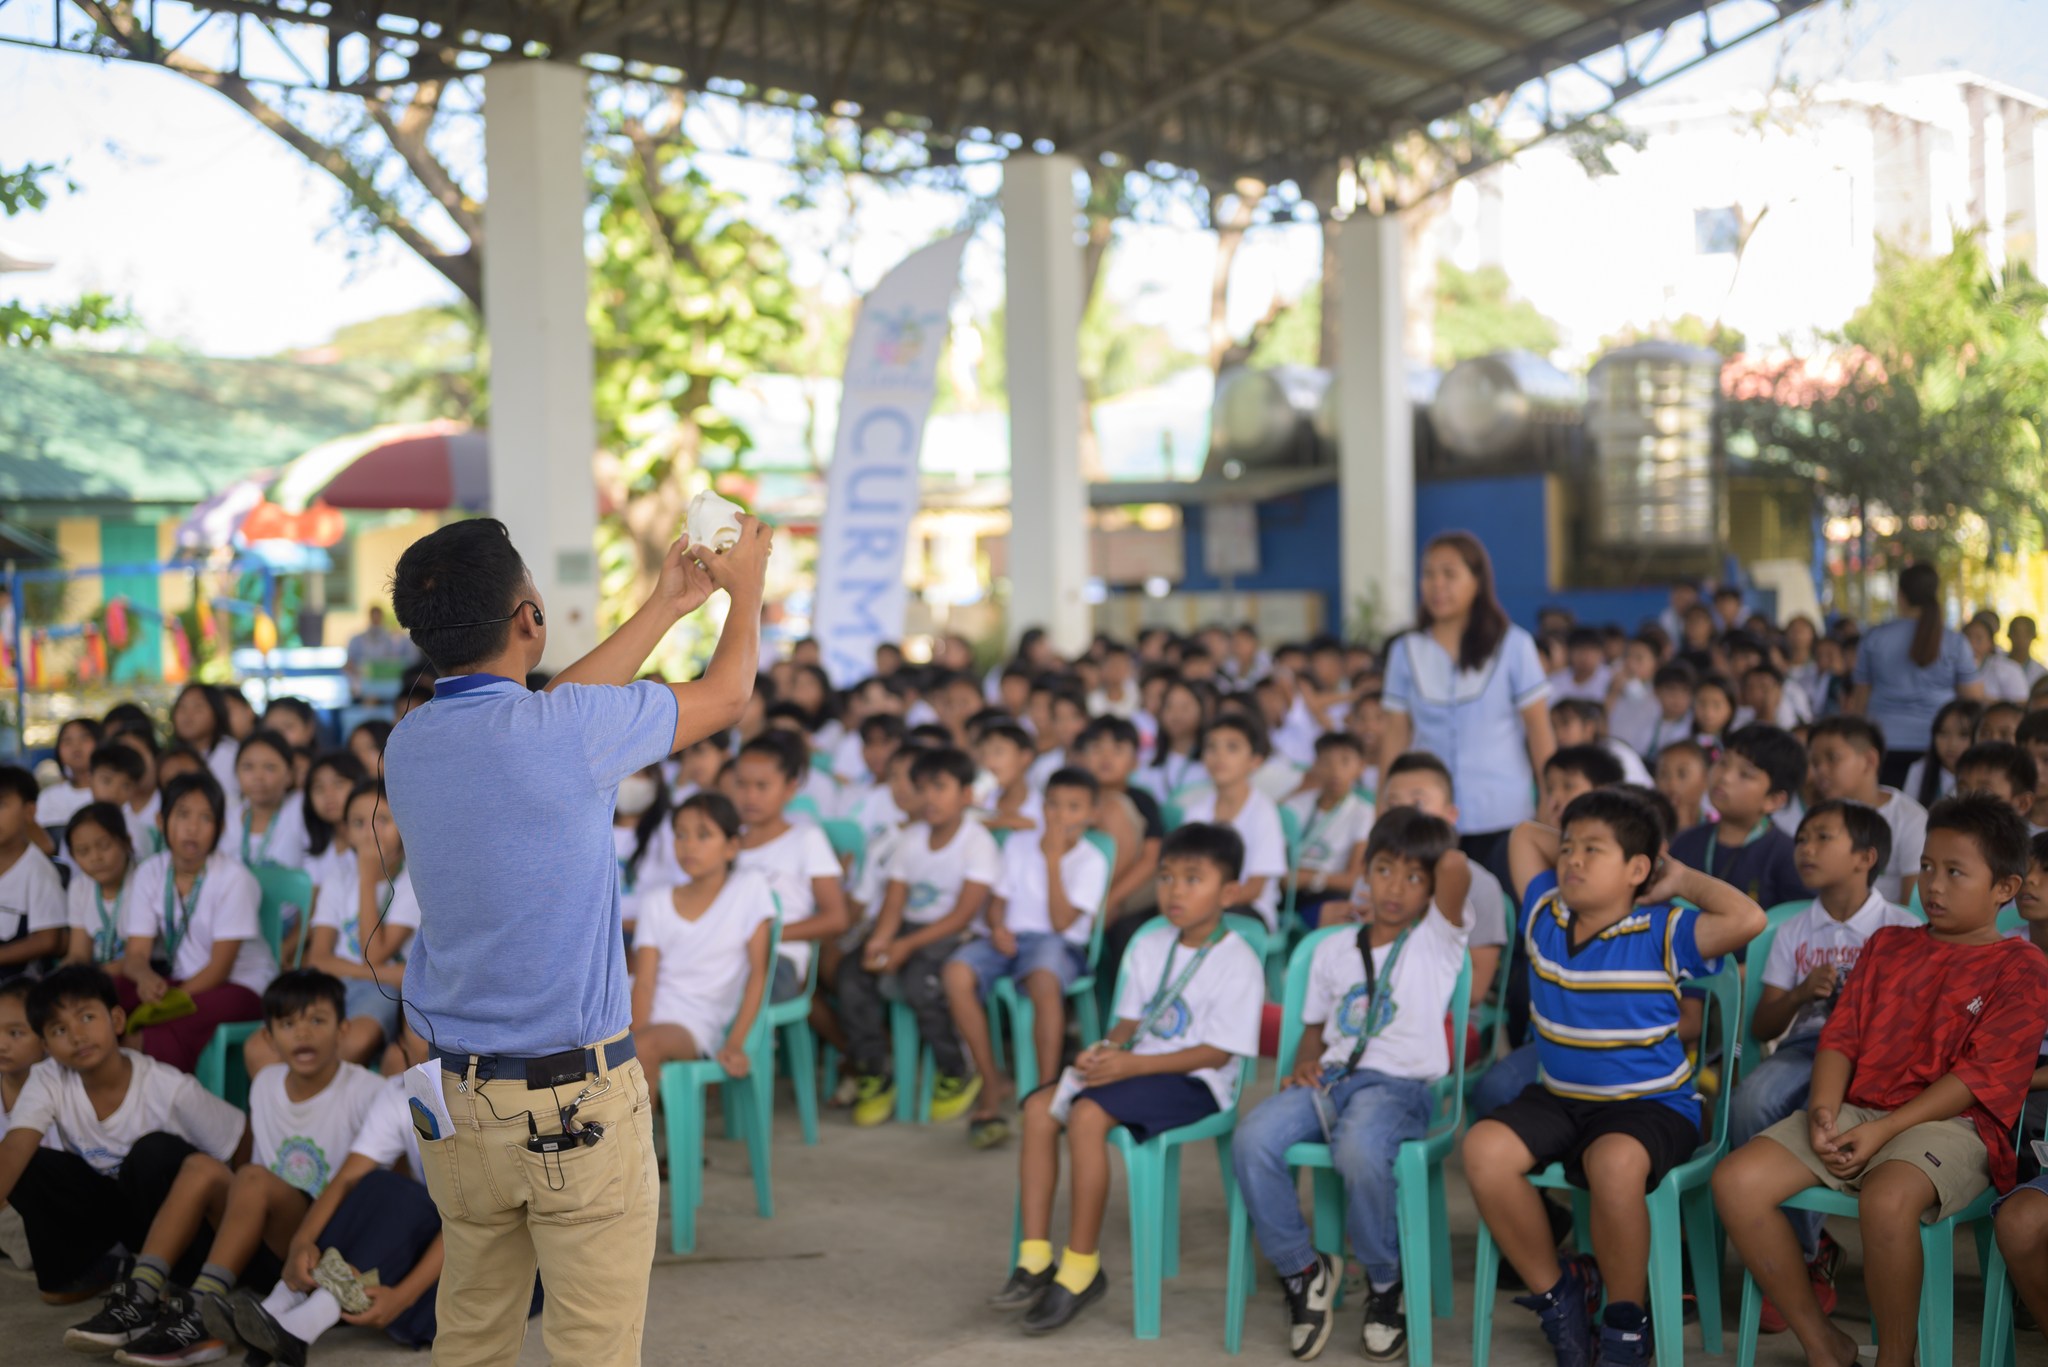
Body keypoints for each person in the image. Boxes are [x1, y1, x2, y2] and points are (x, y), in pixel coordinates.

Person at [382, 512, 770, 1367]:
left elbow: (548, 711)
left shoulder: (408, 743)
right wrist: (744, 594)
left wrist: (664, 607)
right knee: (592, 1349)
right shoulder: (565, 738)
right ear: (531, 619)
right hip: (576, 1103)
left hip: (459, 1102)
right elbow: (731, 693)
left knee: (472, 1338)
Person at [1714, 794, 2048, 1367]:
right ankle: (1825, 1345)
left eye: (1954, 873)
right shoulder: (1888, 944)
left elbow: (1977, 1078)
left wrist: (1885, 1128)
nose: (1932, 885)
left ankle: (1898, 1357)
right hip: (1860, 1109)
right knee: (1736, 1182)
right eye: (1925, 867)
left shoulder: (2021, 967)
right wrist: (1822, 1109)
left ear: (2005, 888)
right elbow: (1840, 1038)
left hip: (1957, 1123)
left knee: (1887, 1198)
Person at [1461, 789, 1765, 1367]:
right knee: (1483, 1150)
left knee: (1615, 1163)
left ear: (1637, 870)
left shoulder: (1663, 930)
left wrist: (1673, 876)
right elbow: (1525, 835)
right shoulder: (1543, 912)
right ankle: (1561, 1294)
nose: (1572, 859)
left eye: (1592, 850)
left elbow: (1747, 919)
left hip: (1652, 1106)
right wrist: (1595, 844)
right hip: (1560, 1098)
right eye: (1569, 848)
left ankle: (1625, 1322)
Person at [990, 822, 1263, 1335]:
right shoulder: (1150, 943)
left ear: (1228, 892)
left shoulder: (1238, 960)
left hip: (1197, 1082)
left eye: (1192, 879)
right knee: (1037, 1108)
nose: (1174, 890)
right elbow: (1129, 1022)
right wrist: (1105, 1051)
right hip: (1137, 1068)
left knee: (1089, 1114)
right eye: (1166, 877)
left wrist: (1132, 1064)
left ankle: (1080, 1269)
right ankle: (1034, 1259)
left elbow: (1218, 1051)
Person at [1234, 809, 1472, 1361]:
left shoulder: (1437, 939)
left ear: (1433, 885)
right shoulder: (1332, 948)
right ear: (1365, 870)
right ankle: (1304, 1268)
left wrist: (1436, 851)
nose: (1395, 887)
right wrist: (1302, 1066)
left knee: (1359, 1149)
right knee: (1254, 1138)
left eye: (1415, 877)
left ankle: (1386, 1281)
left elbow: (1458, 864)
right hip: (1335, 1079)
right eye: (1385, 870)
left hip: (1399, 1088)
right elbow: (1315, 1029)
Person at [1731, 800, 1917, 1333]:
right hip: (1807, 1045)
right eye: (1802, 839)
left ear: (1866, 857)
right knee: (1754, 1100)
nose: (1805, 849)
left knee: (1847, 1118)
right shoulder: (1794, 929)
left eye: (1822, 838)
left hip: (1879, 1056)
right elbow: (1765, 1026)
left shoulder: (1901, 928)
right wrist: (1797, 996)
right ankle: (1805, 1250)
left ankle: (1813, 1244)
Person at [0, 967, 247, 1316]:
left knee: (153, 1151)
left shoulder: (169, 1087)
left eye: (87, 1017)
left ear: (117, 1019)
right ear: (46, 1046)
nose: (77, 1036)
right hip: (117, 1217)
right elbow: (15, 1147)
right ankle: (94, 1270)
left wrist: (236, 1236)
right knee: (32, 1163)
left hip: (176, 1217)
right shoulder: (47, 1078)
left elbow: (236, 1144)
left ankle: (173, 1274)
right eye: (59, 1029)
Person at [946, 768, 1111, 1148]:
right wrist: (998, 927)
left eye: (1073, 808)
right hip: (1010, 939)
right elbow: (998, 902)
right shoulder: (1020, 844)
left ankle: (1045, 1090)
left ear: (1092, 814)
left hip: (1059, 943)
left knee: (1042, 980)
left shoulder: (1091, 860)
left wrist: (1052, 860)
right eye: (1052, 805)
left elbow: (1060, 921)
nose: (1059, 816)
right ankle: (991, 1082)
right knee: (956, 972)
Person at [1378, 532, 1555, 883]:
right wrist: (1381, 807)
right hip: (1427, 815)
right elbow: (1395, 734)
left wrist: (1550, 800)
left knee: (1505, 912)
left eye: (1449, 573)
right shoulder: (1405, 650)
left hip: (1503, 810)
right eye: (1428, 574)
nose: (1436, 585)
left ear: (1477, 581)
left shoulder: (1514, 644)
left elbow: (1539, 729)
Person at [839, 748, 1000, 1126]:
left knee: (921, 984)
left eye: (940, 787)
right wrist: (881, 942)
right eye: (923, 787)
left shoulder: (977, 842)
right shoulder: (911, 839)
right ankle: (874, 1071)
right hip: (911, 929)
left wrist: (905, 946)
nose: (929, 797)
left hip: (955, 934)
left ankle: (955, 1070)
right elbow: (894, 903)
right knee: (852, 975)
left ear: (966, 795)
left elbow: (962, 916)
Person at [120, 771, 276, 1072]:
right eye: (182, 815)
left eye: (205, 818)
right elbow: (135, 955)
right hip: (183, 981)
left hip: (240, 986)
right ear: (161, 821)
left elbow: (220, 969)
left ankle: (144, 1084)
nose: (192, 828)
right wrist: (145, 979)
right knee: (111, 991)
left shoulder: (234, 879)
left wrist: (167, 1002)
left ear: (219, 829)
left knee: (169, 1022)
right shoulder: (150, 872)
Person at [629, 792, 775, 1079]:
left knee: (642, 1047)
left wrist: (736, 1044)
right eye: (680, 835)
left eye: (703, 835)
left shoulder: (749, 888)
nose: (689, 846)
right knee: (621, 1049)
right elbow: (644, 982)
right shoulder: (655, 901)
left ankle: (645, 1124)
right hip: (637, 1012)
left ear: (732, 847)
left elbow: (759, 975)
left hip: (695, 1024)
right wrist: (633, 1038)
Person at [294, 780, 419, 1067]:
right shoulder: (338, 877)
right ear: (346, 832)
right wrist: (385, 973)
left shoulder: (410, 880)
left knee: (353, 1042)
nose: (370, 832)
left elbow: (374, 953)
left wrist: (367, 878)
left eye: (383, 820)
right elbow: (319, 959)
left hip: (386, 992)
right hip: (338, 984)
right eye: (358, 823)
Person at [731, 732, 851, 1001]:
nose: (750, 796)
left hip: (779, 959)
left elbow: (836, 918)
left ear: (790, 788)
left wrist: (765, 936)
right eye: (741, 784)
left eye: (762, 786)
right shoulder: (727, 843)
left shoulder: (806, 839)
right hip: (727, 953)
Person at [1848, 564, 1985, 788]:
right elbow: (1973, 699)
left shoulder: (1874, 638)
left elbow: (1859, 700)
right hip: (1939, 748)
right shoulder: (1955, 642)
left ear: (1900, 596)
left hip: (1882, 745)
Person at [1666, 725, 1811, 912]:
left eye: (1745, 774)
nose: (1725, 777)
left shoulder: (1788, 857)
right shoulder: (1686, 841)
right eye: (1723, 762)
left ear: (1773, 800)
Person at [1177, 714, 1289, 932]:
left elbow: (1255, 888)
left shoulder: (1263, 812)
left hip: (1249, 910)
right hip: (1199, 905)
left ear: (1255, 761)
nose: (1219, 755)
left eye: (1232, 747)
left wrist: (1205, 902)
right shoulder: (1196, 811)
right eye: (1211, 747)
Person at [1805, 717, 1928, 905]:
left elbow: (1912, 904)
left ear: (1870, 760)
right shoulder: (1815, 818)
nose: (1820, 770)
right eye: (1815, 762)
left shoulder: (1911, 819)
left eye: (1832, 758)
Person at [1283, 733, 1376, 928]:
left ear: (1361, 767)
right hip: (1287, 891)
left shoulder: (1363, 813)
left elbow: (1354, 878)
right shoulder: (1295, 806)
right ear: (1315, 765)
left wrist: (1309, 879)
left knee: (1344, 916)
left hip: (1327, 894)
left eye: (1345, 761)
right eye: (1326, 762)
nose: (1335, 770)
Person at [0, 764, 68, 983]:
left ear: (29, 812)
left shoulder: (38, 870)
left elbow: (47, 940)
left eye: (1, 805)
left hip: (20, 986)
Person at [61, 803, 137, 973]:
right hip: (98, 977)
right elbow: (79, 954)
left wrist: (92, 980)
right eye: (83, 851)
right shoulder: (79, 887)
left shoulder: (144, 882)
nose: (95, 858)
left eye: (104, 846)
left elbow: (138, 957)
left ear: (127, 842)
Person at [231, 730, 309, 872]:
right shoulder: (226, 819)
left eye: (269, 767)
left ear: (290, 775)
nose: (258, 777)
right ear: (236, 772)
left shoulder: (301, 809)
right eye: (248, 767)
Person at [1903, 698, 1983, 809]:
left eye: (1963, 735)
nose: (1952, 744)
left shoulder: (1984, 776)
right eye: (1943, 733)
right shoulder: (1919, 770)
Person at [170, 684, 241, 800]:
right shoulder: (172, 758)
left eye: (198, 707)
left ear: (217, 711)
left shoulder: (232, 753)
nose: (188, 715)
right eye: (182, 707)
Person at [38, 716, 103, 831]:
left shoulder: (111, 794)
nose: (76, 746)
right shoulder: (49, 797)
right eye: (67, 741)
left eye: (84, 738)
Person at [343, 605, 418, 700]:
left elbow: (409, 660)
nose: (376, 620)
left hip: (388, 687)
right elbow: (349, 664)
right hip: (365, 687)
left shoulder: (394, 639)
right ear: (369, 617)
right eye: (373, 617)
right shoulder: (357, 640)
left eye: (378, 617)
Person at [1968, 617, 2031, 704]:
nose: (1971, 644)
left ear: (1990, 643)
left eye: (1979, 638)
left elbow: (2022, 704)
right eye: (1967, 637)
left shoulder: (2009, 669)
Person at [1653, 739, 1710, 833]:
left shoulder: (1715, 829)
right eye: (1663, 774)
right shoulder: (1649, 826)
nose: (1672, 783)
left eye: (1682, 774)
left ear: (1706, 779)